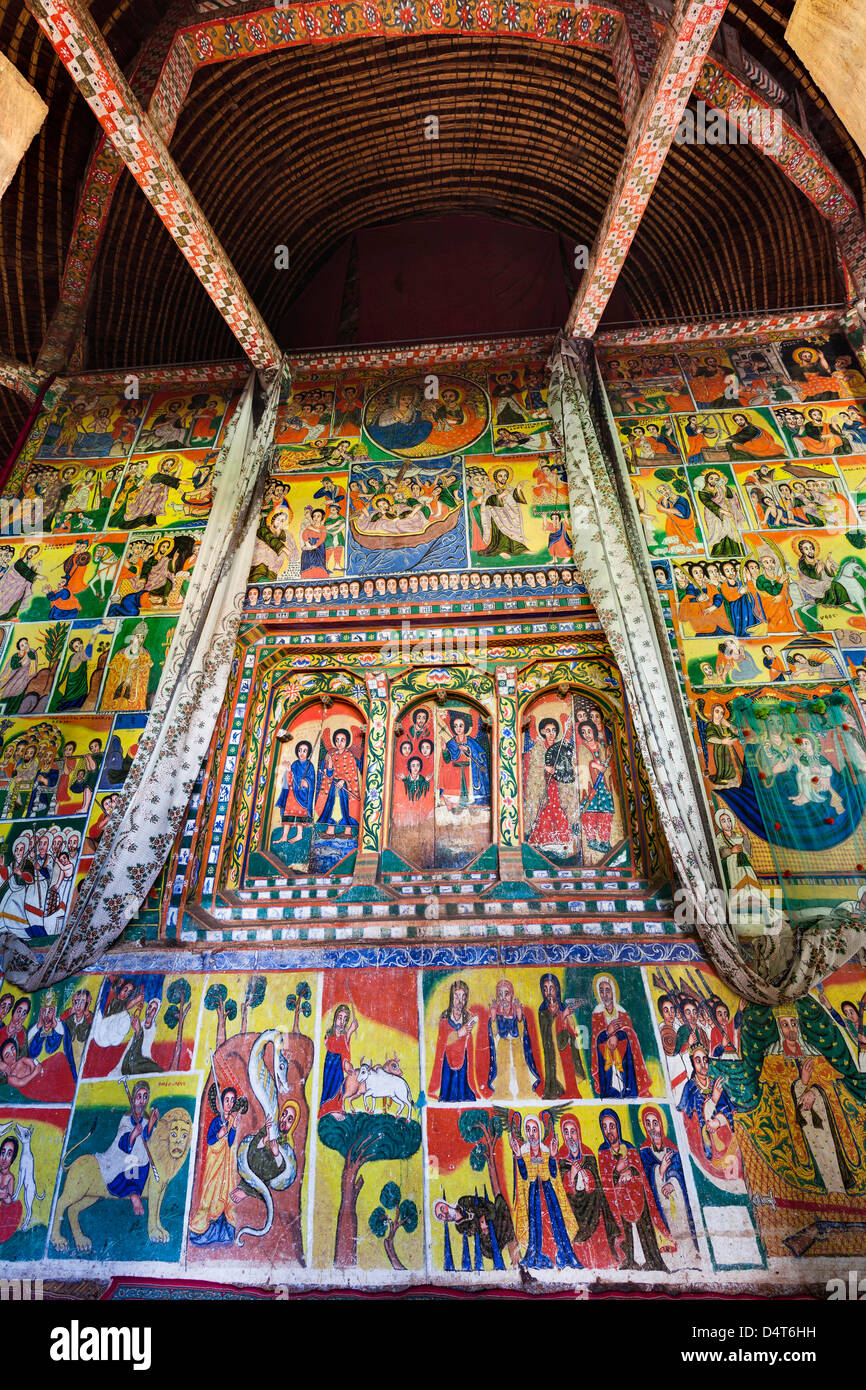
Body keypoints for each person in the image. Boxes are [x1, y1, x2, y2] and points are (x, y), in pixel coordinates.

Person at [597, 1108, 669, 1271]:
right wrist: (617, 1170)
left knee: (644, 1226)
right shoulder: (603, 1152)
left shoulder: (628, 1147)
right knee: (625, 1230)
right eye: (605, 1127)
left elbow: (640, 1171)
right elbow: (605, 1180)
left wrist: (631, 1171)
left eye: (612, 1126)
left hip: (637, 1195)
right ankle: (629, 1260)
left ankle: (652, 1260)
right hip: (619, 1200)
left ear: (618, 1127)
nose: (609, 1131)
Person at [509, 1114, 580, 1269]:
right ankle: (537, 1256)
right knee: (536, 1229)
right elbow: (525, 1176)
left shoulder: (546, 1151)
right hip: (534, 1200)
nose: (531, 1134)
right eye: (528, 1130)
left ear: (539, 1132)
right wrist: (519, 1157)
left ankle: (563, 1255)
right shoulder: (524, 1152)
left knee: (556, 1226)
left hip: (549, 1198)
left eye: (534, 1130)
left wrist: (553, 1156)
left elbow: (553, 1175)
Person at [638, 1105, 699, 1269]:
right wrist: (660, 1170)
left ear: (661, 1124)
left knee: (683, 1229)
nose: (652, 1128)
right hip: (660, 1207)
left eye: (655, 1123)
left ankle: (691, 1260)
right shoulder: (644, 1153)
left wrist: (672, 1182)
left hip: (677, 1202)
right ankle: (674, 1264)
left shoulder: (673, 1150)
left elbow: (681, 1174)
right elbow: (645, 1180)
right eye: (648, 1124)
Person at [556, 1112, 620, 1267]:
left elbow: (596, 1186)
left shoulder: (589, 1155)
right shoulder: (561, 1158)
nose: (570, 1136)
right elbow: (561, 1189)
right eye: (566, 1132)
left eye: (573, 1131)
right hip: (572, 1212)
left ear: (578, 1132)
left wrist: (585, 1176)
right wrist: (572, 1176)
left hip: (593, 1210)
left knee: (599, 1248)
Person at [189, 1085, 247, 1245]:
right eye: (226, 1100)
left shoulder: (229, 1120)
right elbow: (210, 1141)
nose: (229, 1103)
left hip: (226, 1169)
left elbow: (230, 1144)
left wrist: (233, 1127)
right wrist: (218, 1134)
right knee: (211, 1195)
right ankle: (201, 1230)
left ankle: (221, 1232)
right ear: (221, 1102)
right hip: (214, 1167)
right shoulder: (217, 1121)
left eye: (232, 1100)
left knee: (225, 1196)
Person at [677, 1044, 741, 1182]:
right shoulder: (690, 1087)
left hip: (723, 1135)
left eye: (705, 1060)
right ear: (692, 1063)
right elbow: (687, 1118)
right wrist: (713, 1100)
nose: (703, 1065)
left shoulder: (714, 1084)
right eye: (698, 1060)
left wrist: (718, 1120)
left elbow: (729, 1108)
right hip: (706, 1144)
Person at [95, 1081, 159, 1216]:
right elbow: (122, 1141)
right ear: (134, 1098)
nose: (142, 1101)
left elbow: (146, 1138)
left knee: (141, 1167)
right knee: (128, 1168)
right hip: (123, 1155)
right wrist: (133, 1134)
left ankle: (135, 1194)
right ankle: (133, 1196)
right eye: (139, 1097)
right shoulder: (126, 1117)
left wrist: (151, 1122)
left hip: (140, 1156)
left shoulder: (145, 1117)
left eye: (145, 1097)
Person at [590, 974, 652, 1099]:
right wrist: (607, 1033)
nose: (604, 994)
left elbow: (631, 1034)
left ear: (613, 992)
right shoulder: (597, 1014)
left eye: (607, 990)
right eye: (601, 991)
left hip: (624, 1060)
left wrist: (617, 1035)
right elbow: (595, 1039)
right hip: (607, 1060)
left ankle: (629, 1090)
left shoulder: (622, 1012)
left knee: (627, 1087)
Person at [486, 978, 542, 1099]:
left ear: (512, 996)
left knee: (522, 1075)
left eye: (506, 994)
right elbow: (494, 1034)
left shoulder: (517, 1015)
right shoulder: (497, 1016)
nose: (503, 998)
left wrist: (519, 1016)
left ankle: (525, 1093)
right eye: (500, 994)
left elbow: (522, 1035)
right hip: (503, 1053)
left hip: (518, 1053)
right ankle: (503, 1093)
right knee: (503, 1077)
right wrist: (494, 1017)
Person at [537, 973, 585, 1098]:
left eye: (551, 988)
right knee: (556, 1083)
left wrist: (568, 1016)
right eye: (545, 989)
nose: (548, 992)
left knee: (569, 1081)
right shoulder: (543, 1012)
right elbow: (546, 1033)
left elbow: (574, 1031)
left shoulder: (563, 1007)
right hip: (552, 1054)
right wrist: (562, 1016)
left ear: (557, 989)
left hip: (566, 1051)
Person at [430, 980, 479, 1101]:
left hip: (463, 1058)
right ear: (452, 997)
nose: (460, 1001)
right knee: (448, 1094)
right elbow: (443, 1041)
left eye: (463, 997)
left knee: (463, 1094)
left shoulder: (468, 1017)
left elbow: (470, 1042)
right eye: (457, 996)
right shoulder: (445, 1017)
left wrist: (466, 1033)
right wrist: (458, 1034)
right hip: (448, 1060)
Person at [318, 1003, 358, 1118]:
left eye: (345, 1019)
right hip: (331, 1070)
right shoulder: (329, 1036)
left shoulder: (344, 1038)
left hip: (340, 1071)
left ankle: (337, 1107)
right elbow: (335, 1047)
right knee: (332, 1084)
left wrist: (347, 1064)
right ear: (335, 1018)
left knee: (343, 1084)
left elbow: (345, 1053)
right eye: (340, 1018)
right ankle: (329, 1108)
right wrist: (349, 1032)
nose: (342, 1022)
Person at [274, 739, 316, 844]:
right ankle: (284, 836)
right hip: (292, 794)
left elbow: (312, 780)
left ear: (308, 752)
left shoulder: (309, 766)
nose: (301, 753)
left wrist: (307, 782)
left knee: (300, 815)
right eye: (300, 750)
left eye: (304, 751)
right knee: (288, 814)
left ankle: (299, 835)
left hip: (302, 795)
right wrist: (288, 770)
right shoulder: (294, 764)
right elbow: (288, 780)